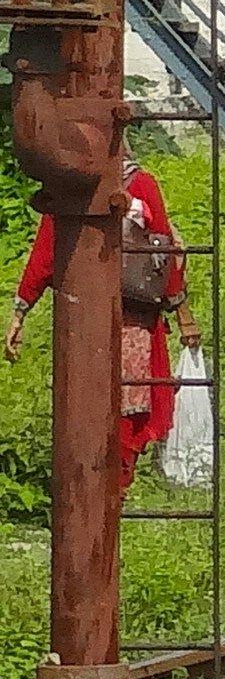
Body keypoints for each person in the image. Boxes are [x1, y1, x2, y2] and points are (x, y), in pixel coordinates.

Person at [7, 159, 184, 463]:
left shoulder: (69, 186)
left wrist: (20, 312)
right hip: (130, 323)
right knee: (121, 420)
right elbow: (164, 254)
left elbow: (44, 256)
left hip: (86, 320)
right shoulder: (140, 183)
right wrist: (184, 317)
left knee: (87, 414)